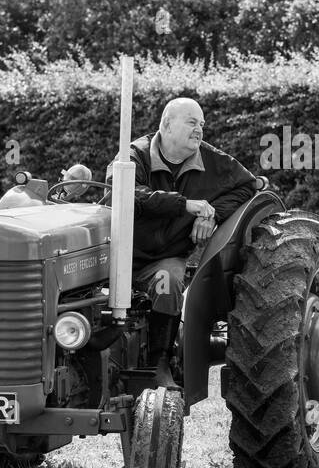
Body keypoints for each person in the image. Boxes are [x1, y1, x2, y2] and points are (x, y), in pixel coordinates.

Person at [107, 97, 257, 387]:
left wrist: (212, 216)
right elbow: (126, 194)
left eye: (201, 124)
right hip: (120, 255)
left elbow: (247, 186)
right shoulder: (131, 156)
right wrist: (185, 205)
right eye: (191, 122)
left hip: (166, 257)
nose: (199, 130)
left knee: (169, 280)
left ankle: (160, 362)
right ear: (166, 124)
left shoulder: (213, 160)